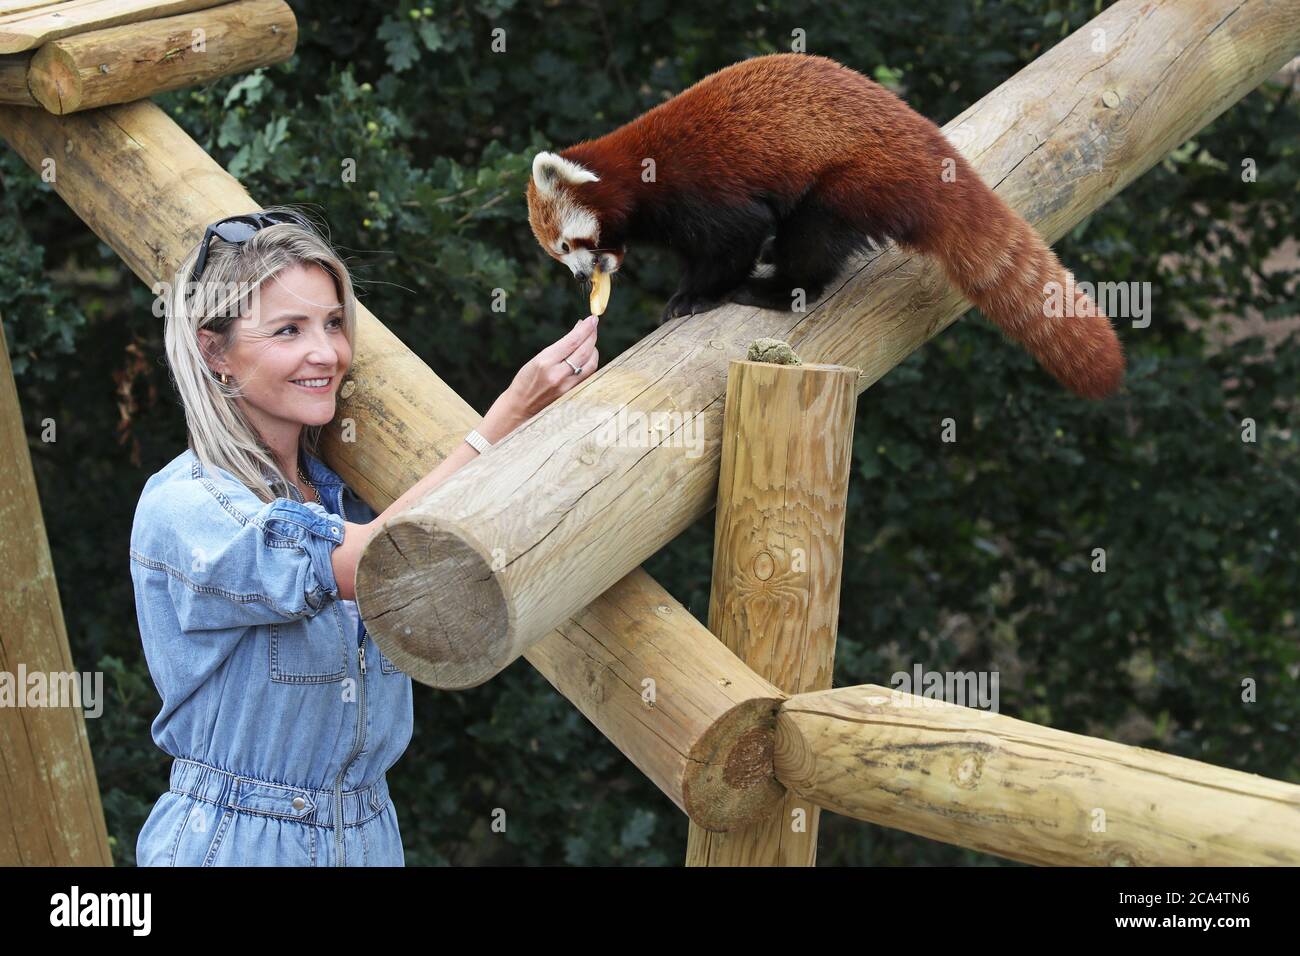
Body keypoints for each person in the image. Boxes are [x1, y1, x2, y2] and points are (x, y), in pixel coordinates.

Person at [129, 206, 599, 866]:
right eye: (288, 330)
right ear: (216, 352)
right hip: (235, 843)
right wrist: (504, 420)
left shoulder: (350, 494)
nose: (326, 353)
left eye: (332, 324)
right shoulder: (188, 506)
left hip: (371, 833)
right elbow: (371, 559)